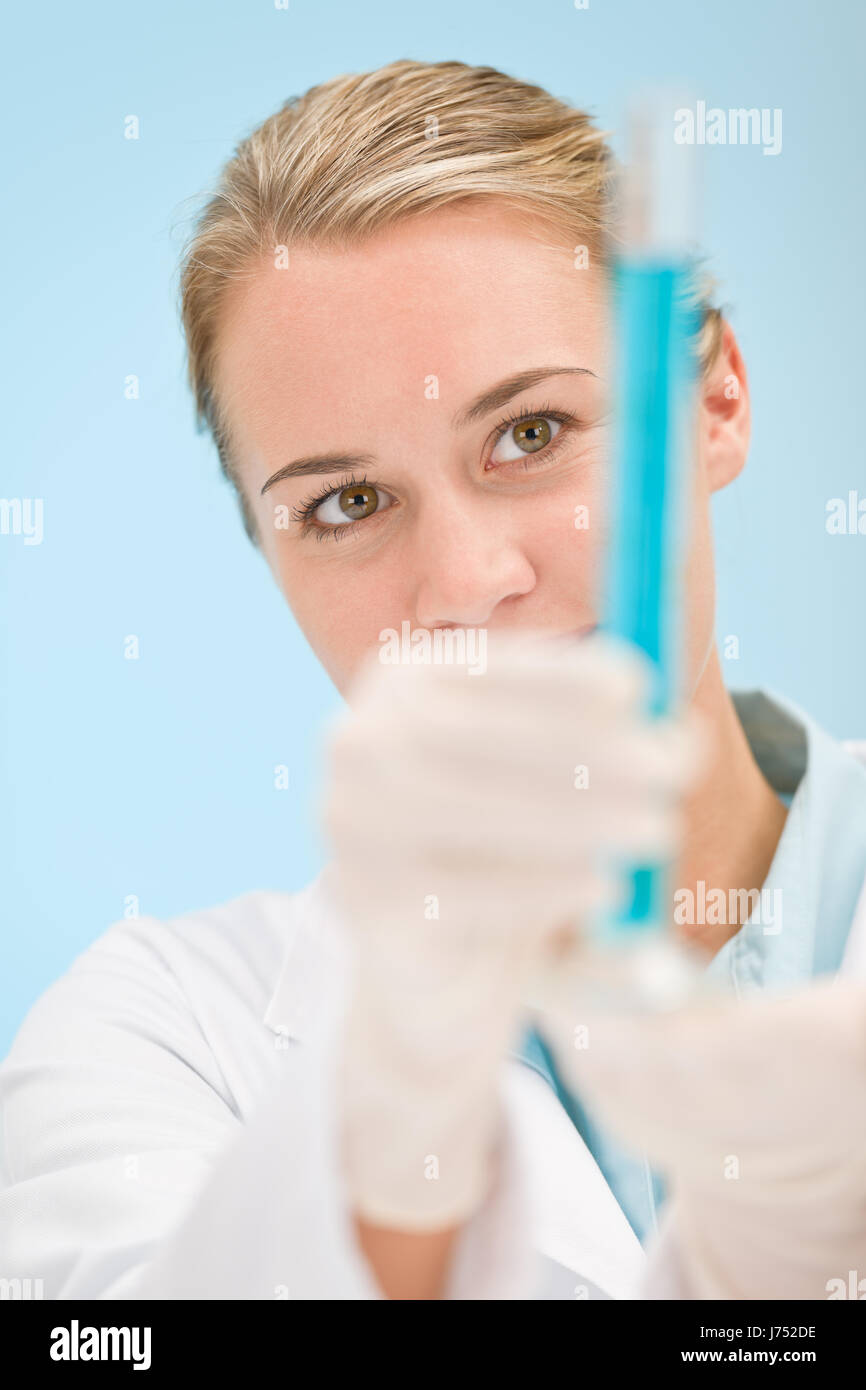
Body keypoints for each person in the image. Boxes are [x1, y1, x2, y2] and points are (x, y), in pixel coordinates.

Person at [1, 58, 865, 1301]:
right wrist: (390, 1147)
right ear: (264, 548)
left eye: (530, 433)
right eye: (346, 503)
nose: (462, 583)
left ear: (714, 398)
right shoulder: (158, 1036)